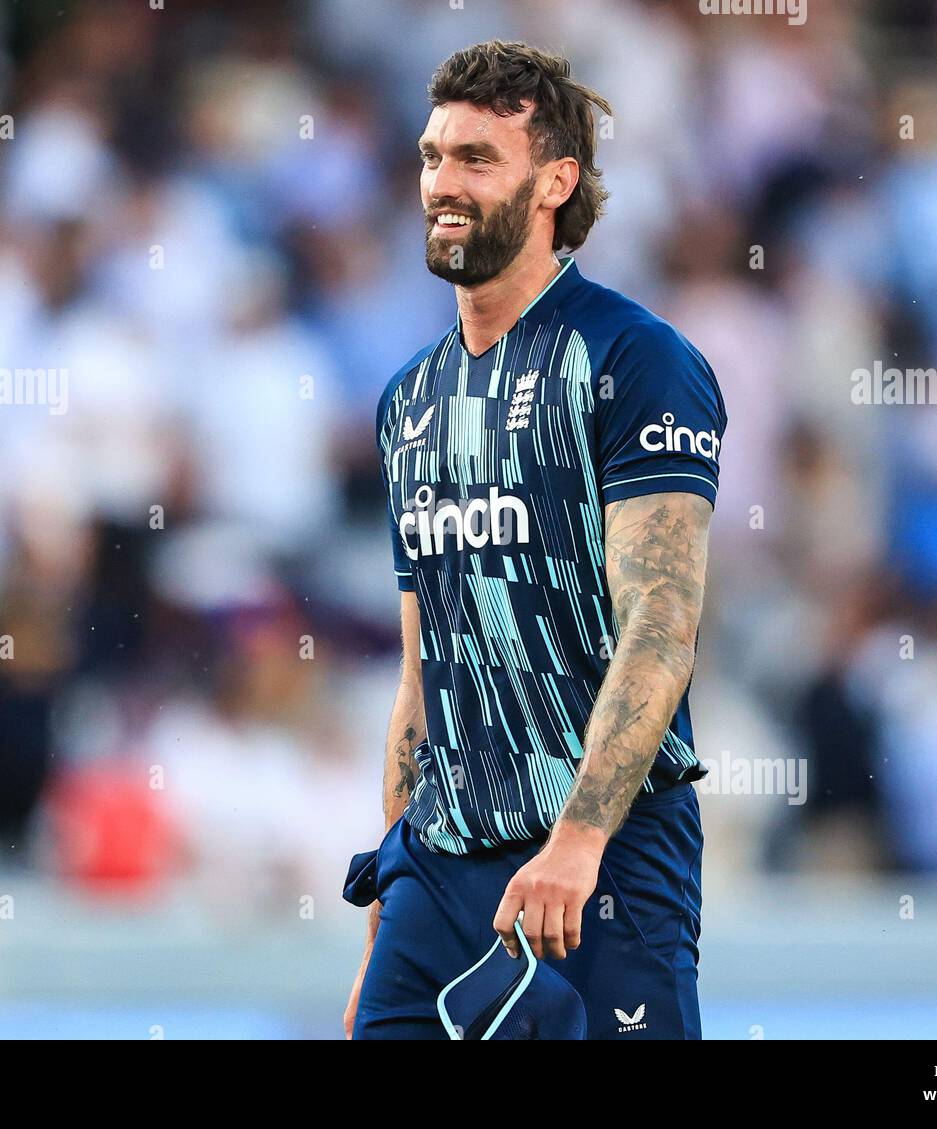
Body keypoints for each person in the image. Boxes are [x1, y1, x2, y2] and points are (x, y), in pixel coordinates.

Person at [343, 40, 727, 1040]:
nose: (440, 183)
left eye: (475, 158)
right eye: (431, 157)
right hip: (438, 870)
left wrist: (579, 838)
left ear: (555, 181)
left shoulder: (633, 359)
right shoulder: (407, 403)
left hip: (600, 859)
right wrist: (387, 907)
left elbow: (660, 624)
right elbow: (421, 671)